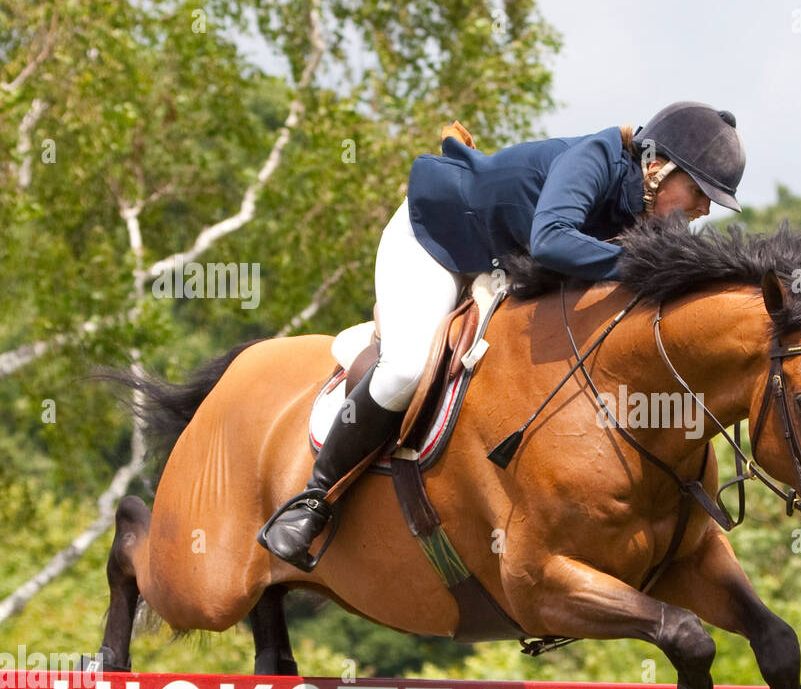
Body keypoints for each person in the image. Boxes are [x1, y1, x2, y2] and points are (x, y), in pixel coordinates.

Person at [260, 101, 746, 570]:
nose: (704, 209)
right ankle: (312, 500)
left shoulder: (648, 209)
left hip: (501, 266)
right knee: (406, 368)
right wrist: (642, 263)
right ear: (658, 167)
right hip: (436, 242)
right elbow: (552, 239)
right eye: (700, 192)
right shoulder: (594, 158)